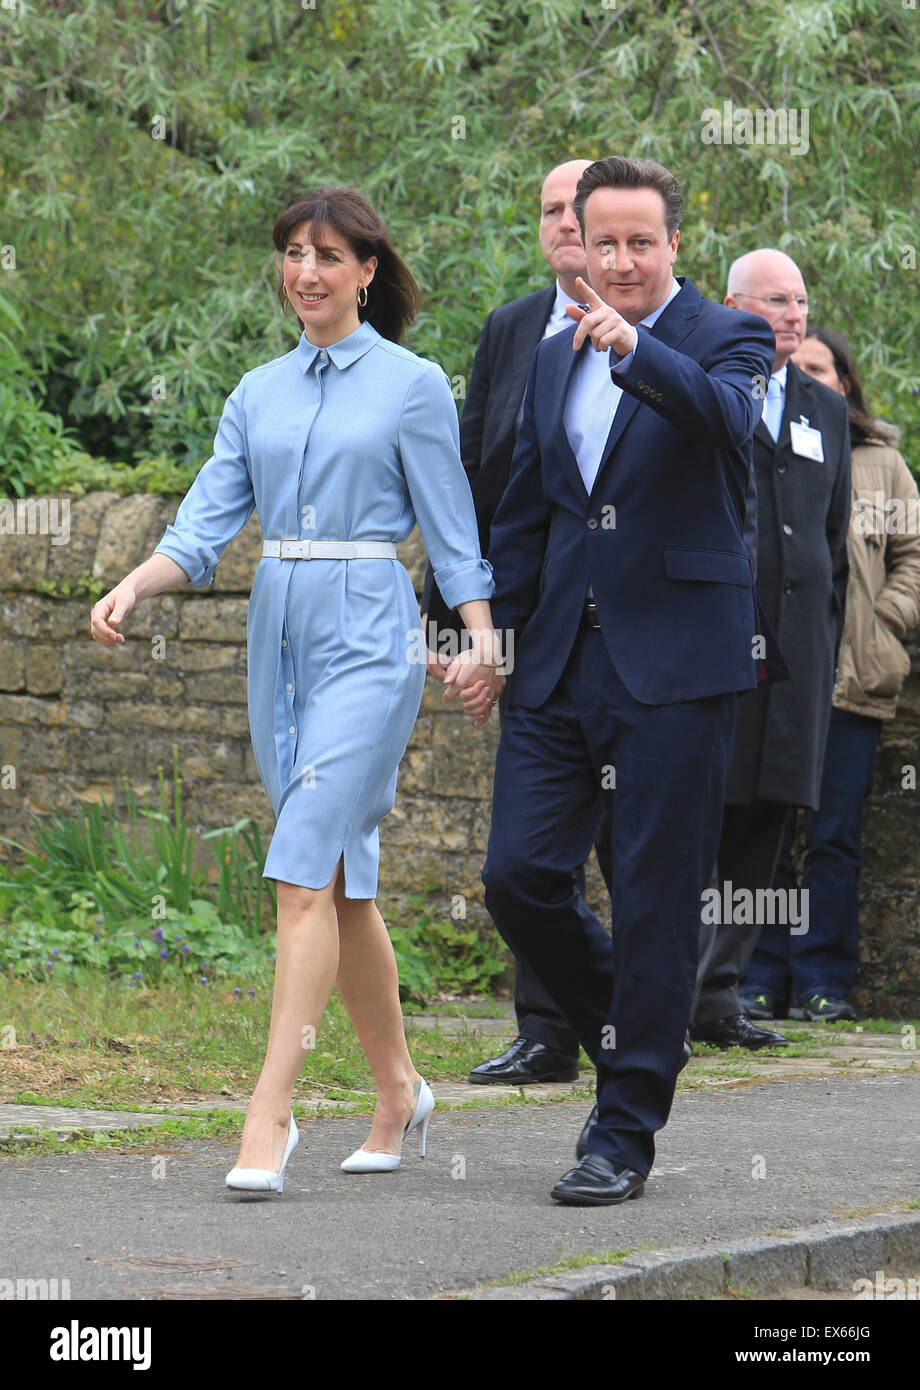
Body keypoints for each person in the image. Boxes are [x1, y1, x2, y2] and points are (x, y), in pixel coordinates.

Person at [89, 187, 504, 1192]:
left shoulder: (410, 385)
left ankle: (266, 1115)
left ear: (367, 269)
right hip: (277, 629)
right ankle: (397, 1088)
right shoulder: (256, 391)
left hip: (371, 632)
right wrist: (134, 582)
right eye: (291, 253)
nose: (305, 272)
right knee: (342, 883)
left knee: (299, 864)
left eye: (326, 255)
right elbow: (202, 527)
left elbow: (452, 534)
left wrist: (482, 638)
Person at [475, 155, 776, 1205]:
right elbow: (526, 508)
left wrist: (634, 346)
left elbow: (726, 423)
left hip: (677, 665)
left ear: (673, 246)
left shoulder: (728, 336)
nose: (618, 259)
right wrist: (479, 630)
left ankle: (620, 1130)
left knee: (654, 901)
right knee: (515, 875)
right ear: (579, 241)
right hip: (558, 661)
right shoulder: (553, 352)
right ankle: (638, 1028)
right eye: (601, 241)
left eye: (638, 242)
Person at [425, 158, 603, 1087]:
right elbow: (470, 481)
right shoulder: (509, 329)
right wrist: (456, 622)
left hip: (633, 636)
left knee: (631, 850)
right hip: (526, 626)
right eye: (548, 209)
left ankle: (651, 1020)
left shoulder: (672, 332)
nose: (564, 221)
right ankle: (548, 1031)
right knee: (533, 859)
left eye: (579, 206)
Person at [690, 251, 852, 1052]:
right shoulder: (703, 385)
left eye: (802, 300)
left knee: (767, 820)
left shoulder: (824, 410)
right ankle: (669, 988)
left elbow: (833, 542)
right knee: (699, 814)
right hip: (716, 642)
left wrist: (827, 640)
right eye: (777, 301)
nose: (795, 314)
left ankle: (719, 994)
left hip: (797, 653)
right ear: (731, 305)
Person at [740, 325, 920, 1022]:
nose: (809, 379)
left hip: (856, 683)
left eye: (823, 369)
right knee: (766, 834)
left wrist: (885, 618)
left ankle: (823, 983)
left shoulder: (886, 463)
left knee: (835, 836)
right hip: (780, 678)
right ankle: (758, 976)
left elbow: (913, 552)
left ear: (844, 382)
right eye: (799, 368)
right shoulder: (763, 442)